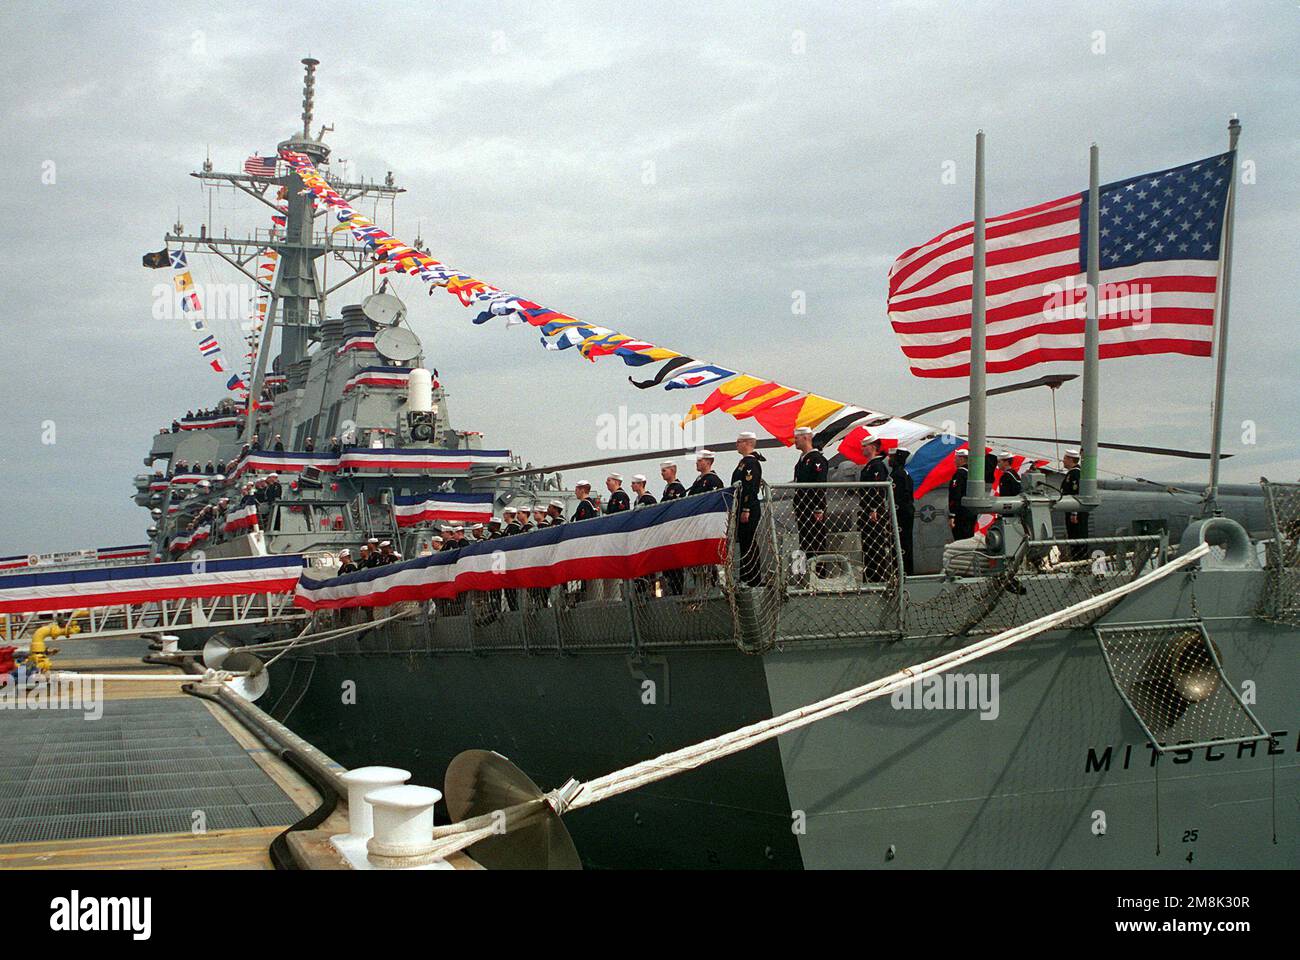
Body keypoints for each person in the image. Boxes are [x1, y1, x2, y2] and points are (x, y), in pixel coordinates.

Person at [792, 425, 829, 579]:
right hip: (802, 507)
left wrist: (819, 508)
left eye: (797, 438)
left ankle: (819, 575)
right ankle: (806, 575)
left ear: (806, 437)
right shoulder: (802, 460)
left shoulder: (817, 460)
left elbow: (820, 484)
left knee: (817, 542)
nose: (795, 441)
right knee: (805, 541)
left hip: (813, 508)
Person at [731, 432, 765, 587]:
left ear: (746, 443)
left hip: (749, 508)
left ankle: (753, 578)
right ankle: (746, 576)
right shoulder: (744, 463)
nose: (736, 445)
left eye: (738, 442)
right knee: (744, 543)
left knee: (748, 543)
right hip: (742, 508)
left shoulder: (751, 464)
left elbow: (750, 487)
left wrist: (746, 508)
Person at [858, 437, 893, 583]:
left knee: (875, 546)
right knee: (869, 546)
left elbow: (878, 488)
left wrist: (874, 508)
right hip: (867, 510)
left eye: (865, 446)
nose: (862, 449)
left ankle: (877, 577)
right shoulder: (869, 466)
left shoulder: (877, 466)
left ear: (872, 447)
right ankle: (871, 576)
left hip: (874, 512)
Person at [890, 446, 916, 576]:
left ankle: (903, 572)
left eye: (892, 457)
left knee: (902, 544)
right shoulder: (905, 473)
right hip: (907, 512)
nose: (889, 459)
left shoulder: (897, 475)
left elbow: (898, 496)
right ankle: (906, 570)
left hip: (901, 514)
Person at [1060, 448, 1088, 554]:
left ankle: (1080, 563)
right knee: (1074, 539)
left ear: (1070, 459)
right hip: (1072, 512)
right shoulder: (1072, 473)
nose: (1063, 461)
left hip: (1076, 513)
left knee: (1077, 538)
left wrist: (1074, 513)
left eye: (1065, 458)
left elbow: (1076, 493)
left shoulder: (1075, 474)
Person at [948, 449, 976, 540]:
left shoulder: (959, 474)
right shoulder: (973, 473)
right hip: (971, 512)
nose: (954, 460)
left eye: (956, 458)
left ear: (962, 459)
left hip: (961, 513)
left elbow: (955, 494)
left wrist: (952, 514)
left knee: (961, 538)